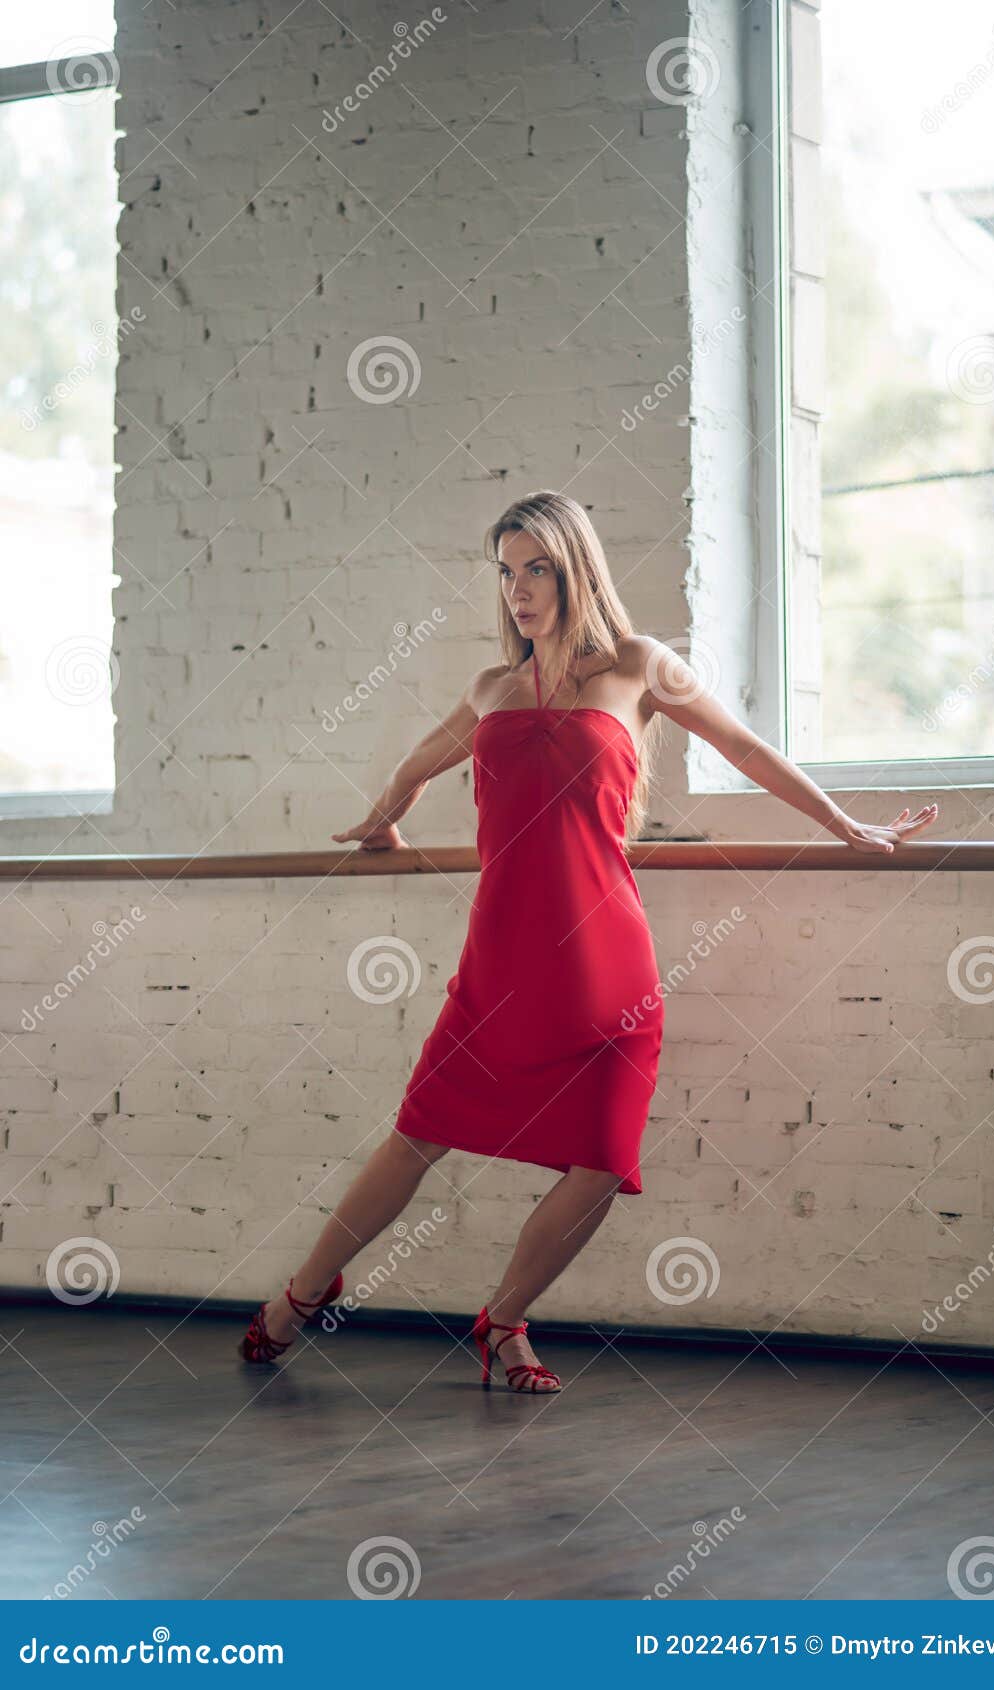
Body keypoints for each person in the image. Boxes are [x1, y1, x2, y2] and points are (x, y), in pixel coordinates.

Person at [238, 490, 938, 1389]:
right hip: (500, 959)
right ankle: (298, 1297)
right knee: (419, 1134)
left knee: (601, 1160)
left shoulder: (638, 666)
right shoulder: (491, 689)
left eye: (537, 569)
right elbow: (418, 761)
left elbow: (747, 749)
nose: (519, 591)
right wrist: (381, 821)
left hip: (607, 960)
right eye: (506, 572)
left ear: (575, 570)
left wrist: (846, 825)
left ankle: (505, 1320)